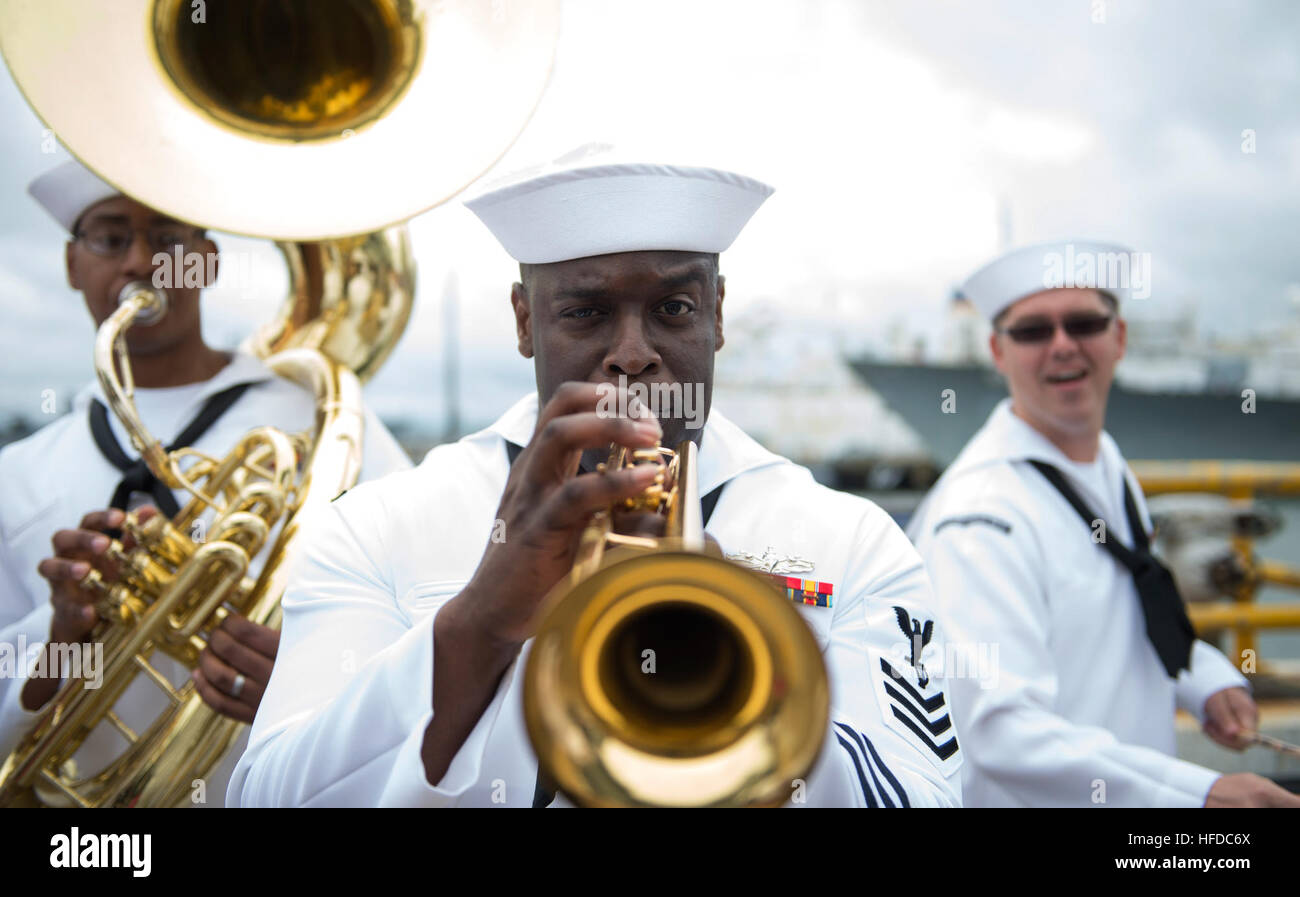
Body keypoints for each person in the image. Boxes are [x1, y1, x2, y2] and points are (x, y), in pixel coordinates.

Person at [231, 155, 965, 807]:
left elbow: (920, 794)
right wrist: (478, 623)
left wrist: (730, 664)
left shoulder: (853, 540)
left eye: (674, 308)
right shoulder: (379, 523)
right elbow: (268, 794)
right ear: (524, 322)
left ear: (717, 315)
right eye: (585, 312)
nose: (632, 354)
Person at [0, 159, 412, 805]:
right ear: (71, 265)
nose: (141, 262)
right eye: (110, 237)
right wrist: (59, 641)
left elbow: (425, 608)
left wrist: (317, 675)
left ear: (207, 261)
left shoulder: (320, 417)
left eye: (167, 239)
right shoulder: (16, 475)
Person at [907, 239, 1300, 807]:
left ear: (1119, 338)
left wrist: (1204, 676)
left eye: (1084, 323)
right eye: (1033, 331)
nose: (1062, 346)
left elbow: (1134, 606)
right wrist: (1201, 796)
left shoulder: (1103, 466)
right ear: (997, 351)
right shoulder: (980, 517)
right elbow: (1001, 735)